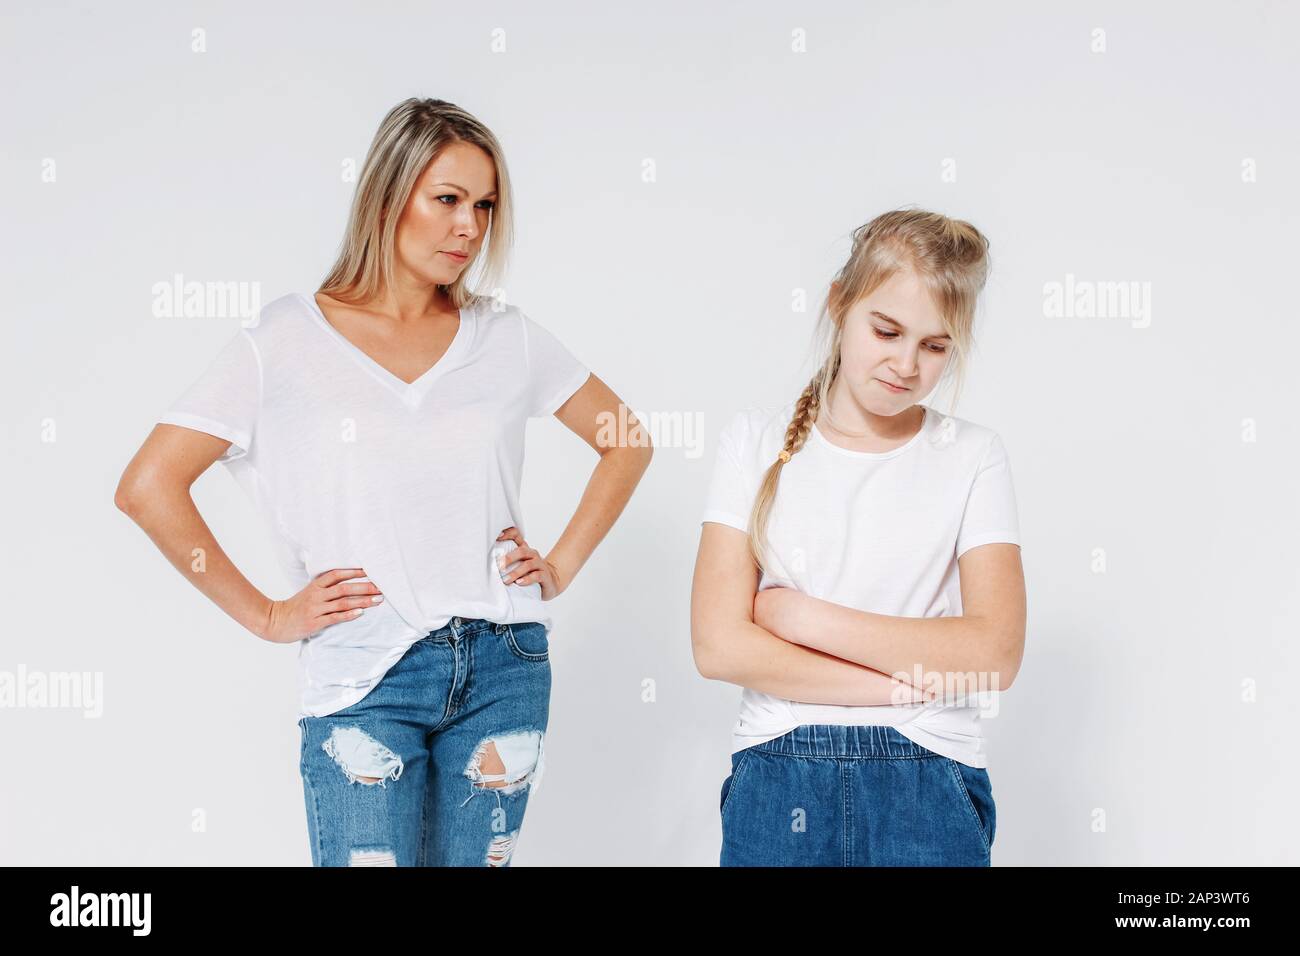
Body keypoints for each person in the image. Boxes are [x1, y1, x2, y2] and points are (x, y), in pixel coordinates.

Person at [114, 97, 653, 867]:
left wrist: (558, 564)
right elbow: (148, 486)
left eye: (486, 205)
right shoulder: (286, 341)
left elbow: (626, 441)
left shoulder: (507, 337)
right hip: (364, 674)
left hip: (505, 665)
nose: (470, 226)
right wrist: (269, 615)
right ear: (388, 196)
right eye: (448, 199)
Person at [690, 208, 1025, 866]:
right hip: (779, 770)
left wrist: (798, 616)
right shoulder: (752, 443)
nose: (906, 364)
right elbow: (718, 645)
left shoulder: (973, 455)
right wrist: (910, 683)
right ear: (839, 304)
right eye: (887, 330)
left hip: (931, 775)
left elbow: (994, 654)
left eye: (935, 346)